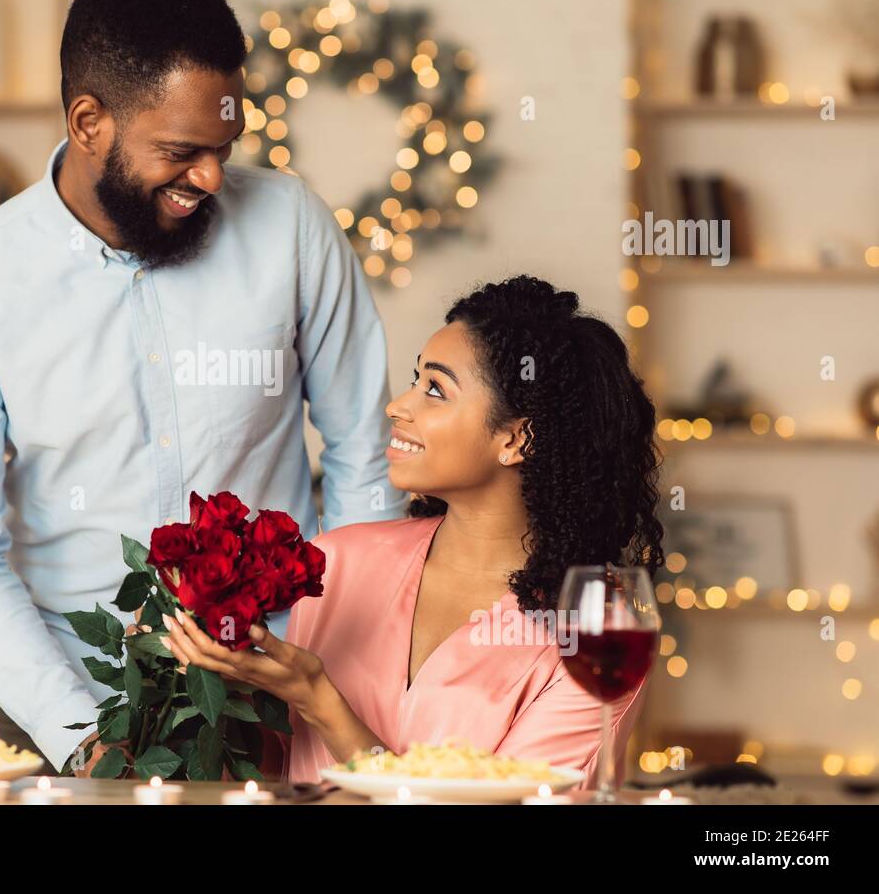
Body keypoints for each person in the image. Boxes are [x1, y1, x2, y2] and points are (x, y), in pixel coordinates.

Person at [0, 0, 405, 777]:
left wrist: (328, 663)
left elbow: (362, 455)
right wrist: (79, 735)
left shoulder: (291, 230)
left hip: (276, 683)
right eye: (181, 151)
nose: (211, 177)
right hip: (66, 697)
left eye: (225, 146)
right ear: (88, 121)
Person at [164, 276, 665, 787]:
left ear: (517, 438)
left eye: (435, 390)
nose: (397, 406)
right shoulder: (336, 562)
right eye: (415, 379)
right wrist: (212, 682)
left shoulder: (599, 636)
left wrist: (319, 697)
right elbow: (277, 771)